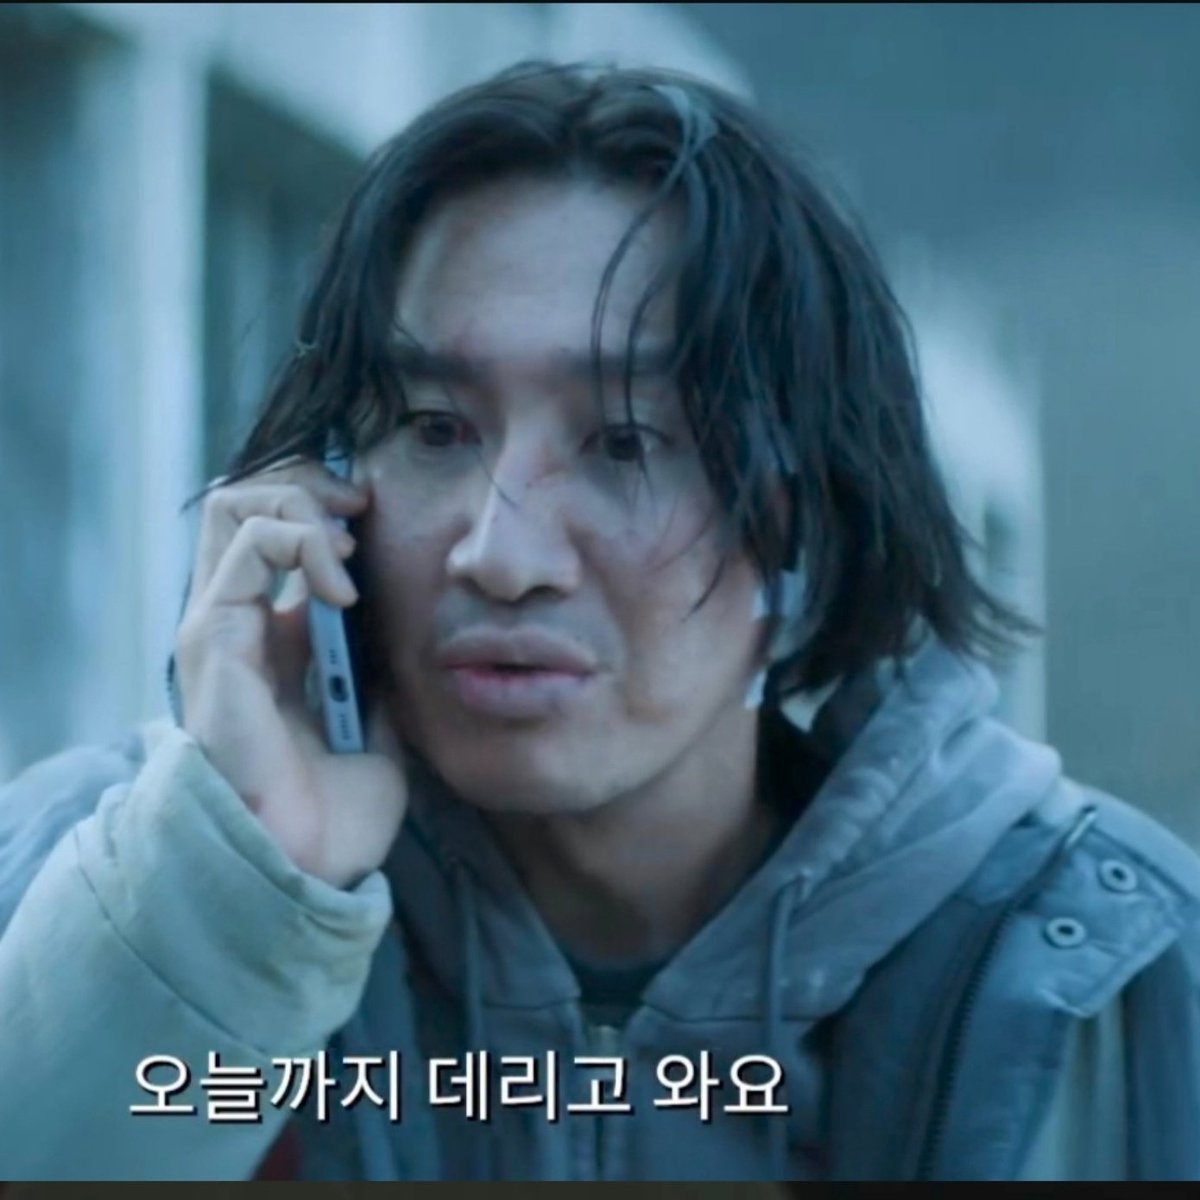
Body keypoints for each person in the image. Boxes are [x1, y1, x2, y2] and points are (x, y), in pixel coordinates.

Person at [1, 61, 1198, 1184]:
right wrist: (236, 891)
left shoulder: (1111, 966)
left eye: (626, 442)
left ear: (802, 517)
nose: (500, 553)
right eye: (434, 429)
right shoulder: (81, 879)